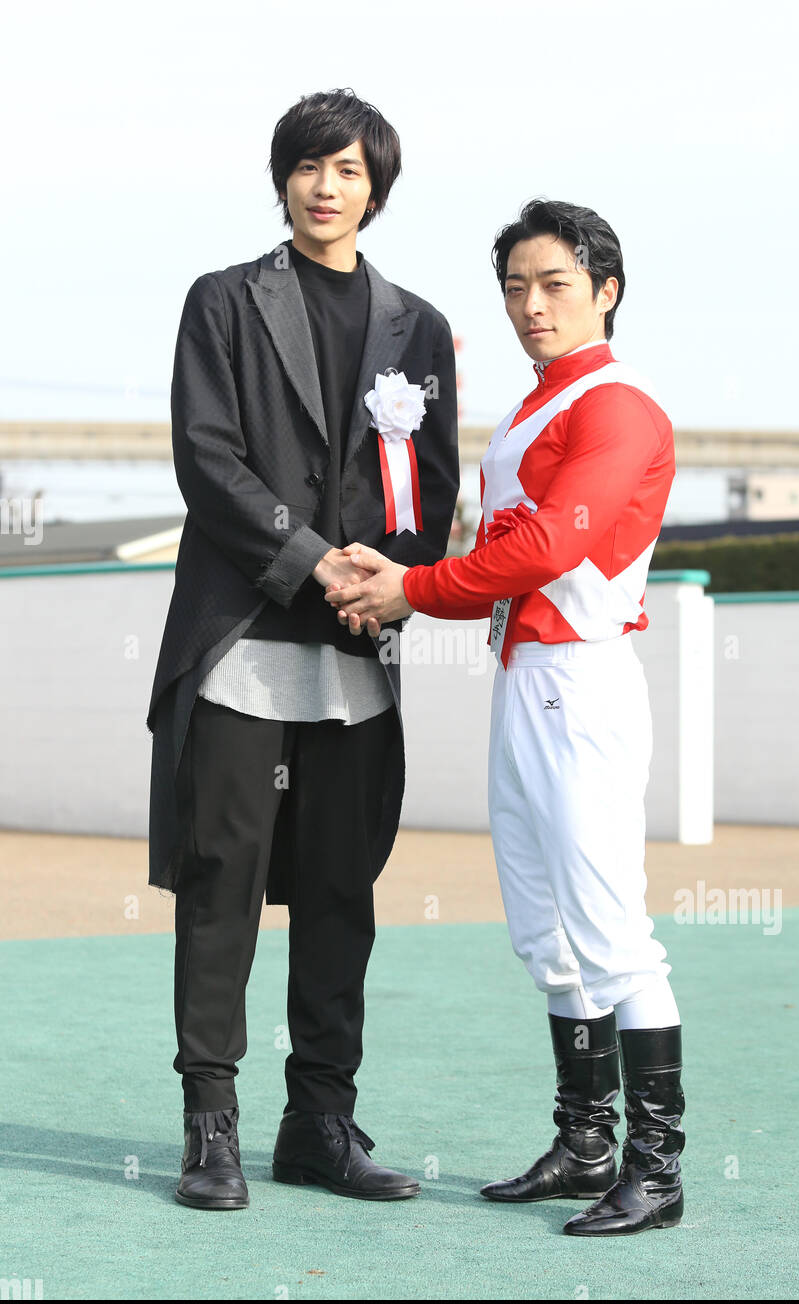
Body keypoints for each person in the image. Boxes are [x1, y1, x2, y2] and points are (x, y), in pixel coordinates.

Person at [324, 199, 685, 1237]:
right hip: (525, 677)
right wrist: (397, 575)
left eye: (555, 284)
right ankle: (585, 1145)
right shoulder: (532, 406)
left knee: (614, 936)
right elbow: (500, 555)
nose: (533, 304)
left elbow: (548, 547)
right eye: (516, 287)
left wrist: (409, 588)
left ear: (605, 290)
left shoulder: (618, 405)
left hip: (583, 678)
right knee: (543, 932)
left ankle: (657, 1171)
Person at [146, 89, 460, 1209]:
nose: (327, 187)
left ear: (377, 189)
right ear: (282, 179)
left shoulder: (419, 326)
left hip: (355, 653)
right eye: (309, 167)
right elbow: (208, 459)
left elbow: (430, 485)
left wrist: (392, 583)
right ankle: (210, 1125)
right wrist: (314, 560)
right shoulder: (225, 301)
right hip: (243, 638)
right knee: (220, 883)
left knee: (340, 888)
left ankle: (319, 1123)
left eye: (349, 170)